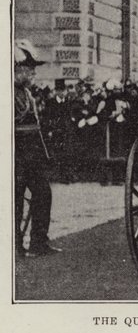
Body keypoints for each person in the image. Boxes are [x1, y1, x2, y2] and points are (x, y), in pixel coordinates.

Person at [14, 39, 62, 258]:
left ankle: (38, 242)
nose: (33, 72)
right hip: (14, 152)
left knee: (43, 193)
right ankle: (13, 246)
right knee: (14, 199)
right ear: (15, 68)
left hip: (31, 152)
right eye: (28, 68)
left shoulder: (26, 93)